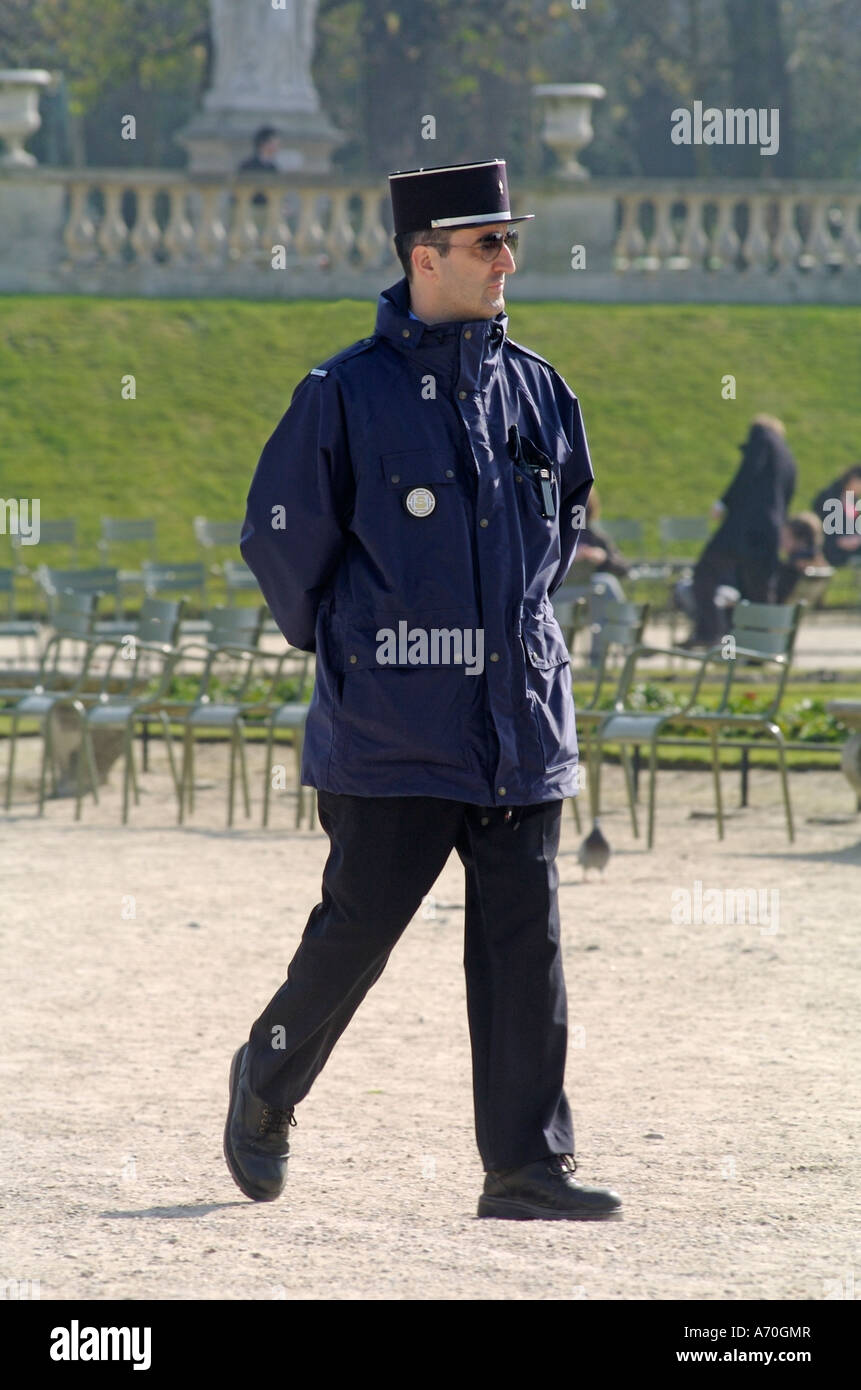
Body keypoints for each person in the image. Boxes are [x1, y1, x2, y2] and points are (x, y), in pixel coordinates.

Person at [229, 158, 622, 1221]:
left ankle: (527, 1166)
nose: (508, 258)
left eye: (511, 239)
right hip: (393, 731)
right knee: (356, 935)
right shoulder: (341, 394)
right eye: (487, 242)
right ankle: (265, 1079)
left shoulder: (540, 387)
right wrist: (361, 654)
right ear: (424, 257)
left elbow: (567, 522)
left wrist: (519, 640)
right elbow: (281, 543)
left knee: (522, 948)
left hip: (517, 729)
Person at [683, 415, 797, 648]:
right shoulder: (788, 457)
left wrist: (724, 502)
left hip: (742, 530)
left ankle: (710, 632)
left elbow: (749, 470)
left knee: (705, 573)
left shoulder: (762, 435)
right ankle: (761, 647)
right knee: (759, 591)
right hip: (769, 533)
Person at [811, 465, 861, 570]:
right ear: (853, 479)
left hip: (849, 546)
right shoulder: (828, 497)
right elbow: (821, 527)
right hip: (830, 548)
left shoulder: (852, 499)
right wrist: (840, 540)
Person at [775, 512, 825, 603]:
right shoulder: (817, 562)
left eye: (786, 536)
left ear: (801, 540)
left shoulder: (792, 568)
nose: (781, 540)